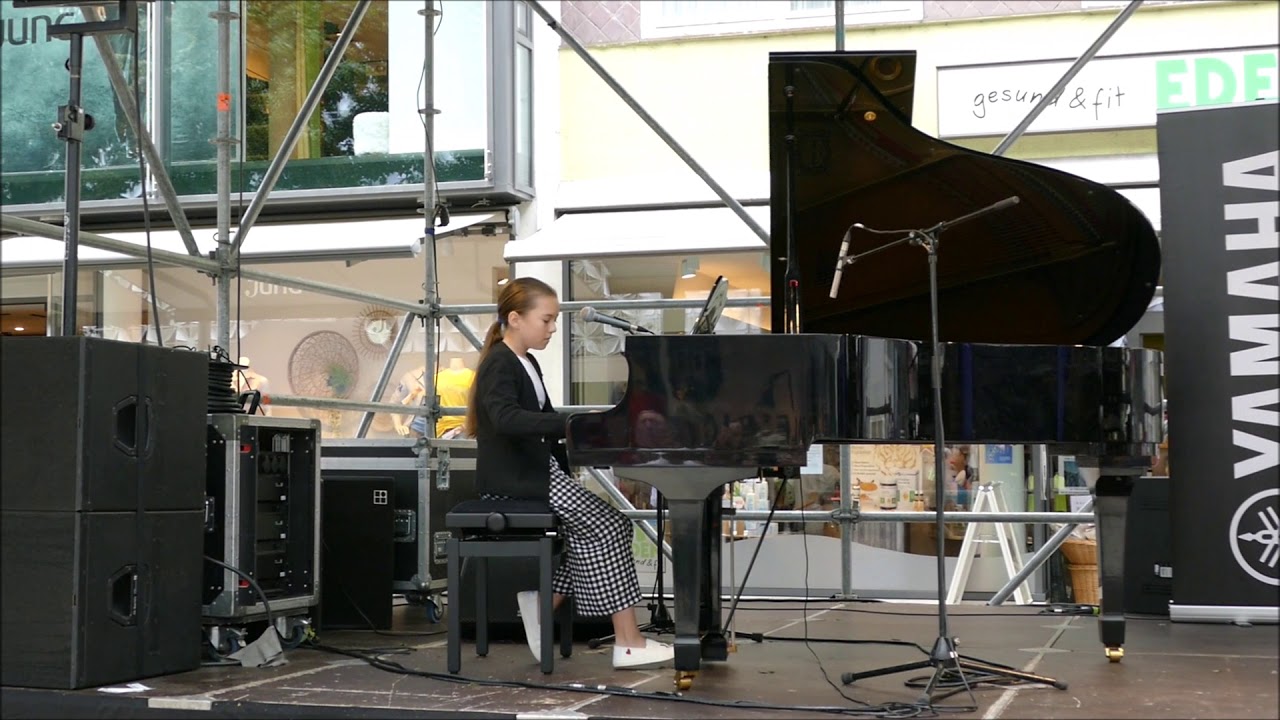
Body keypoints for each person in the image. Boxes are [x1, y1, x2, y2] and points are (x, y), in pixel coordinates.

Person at [463, 277, 674, 670]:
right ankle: (627, 640)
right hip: (515, 482)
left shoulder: (526, 361)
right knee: (610, 526)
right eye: (546, 320)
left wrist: (589, 427)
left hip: (537, 474)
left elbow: (543, 420)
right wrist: (573, 423)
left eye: (554, 320)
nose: (553, 328)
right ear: (515, 318)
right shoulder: (499, 363)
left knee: (606, 527)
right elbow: (506, 419)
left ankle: (546, 602)